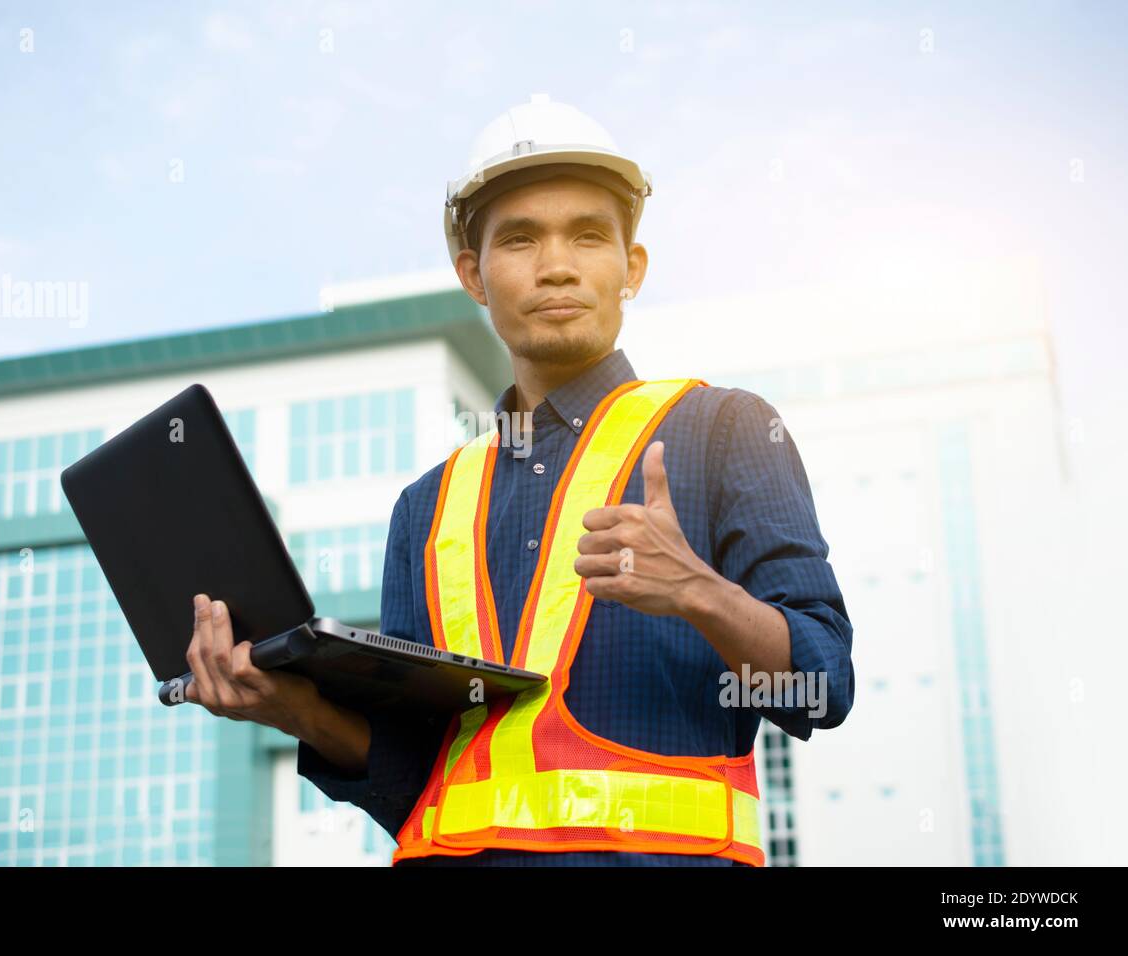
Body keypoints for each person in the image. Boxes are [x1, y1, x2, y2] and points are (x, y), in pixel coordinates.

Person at [183, 95, 854, 866]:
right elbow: (421, 782)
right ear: (473, 272)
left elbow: (822, 688)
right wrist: (296, 710)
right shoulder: (427, 507)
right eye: (521, 239)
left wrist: (697, 591)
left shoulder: (725, 430)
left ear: (631, 268)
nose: (558, 265)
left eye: (590, 236)